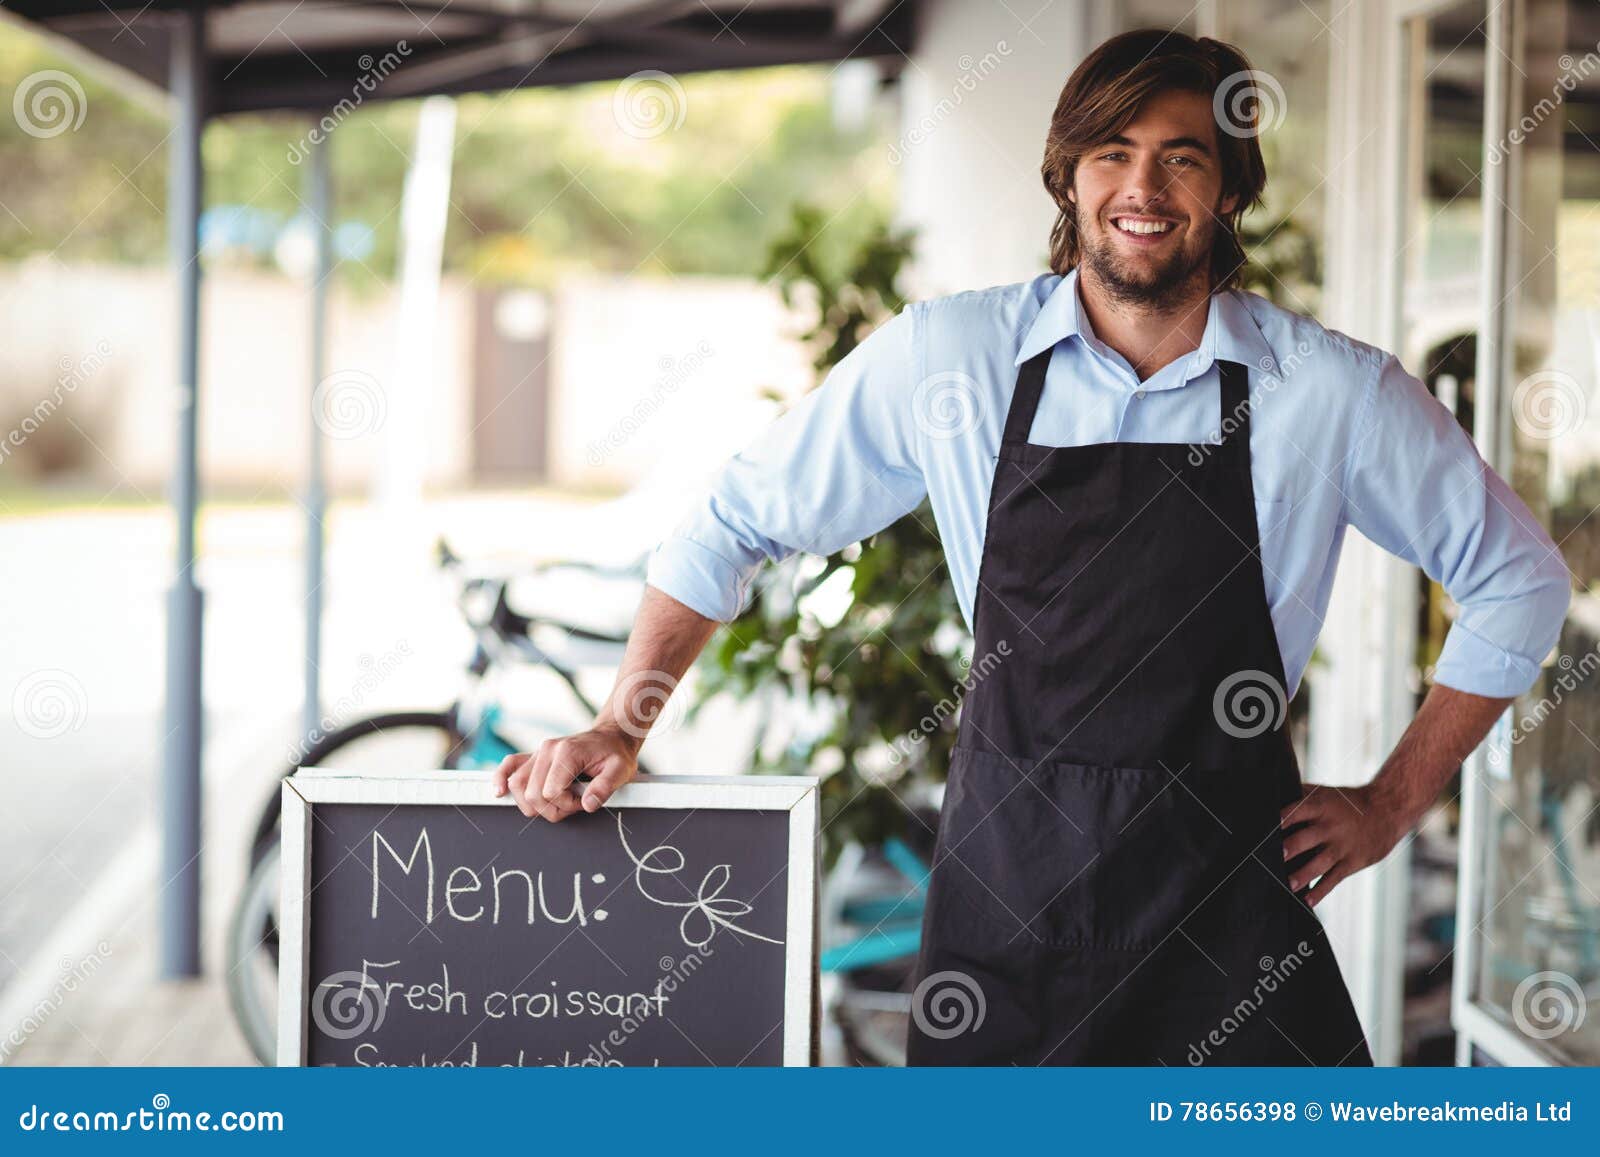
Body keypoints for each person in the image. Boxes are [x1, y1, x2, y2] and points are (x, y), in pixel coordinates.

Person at [491, 29, 1570, 1065]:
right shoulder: (951, 359)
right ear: (1067, 179)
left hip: (1226, 921)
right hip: (1009, 912)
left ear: (1229, 190)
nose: (1142, 189)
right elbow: (733, 520)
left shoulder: (1328, 393)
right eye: (1112, 155)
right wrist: (616, 721)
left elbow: (1519, 580)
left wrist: (1390, 804)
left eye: (1181, 158)